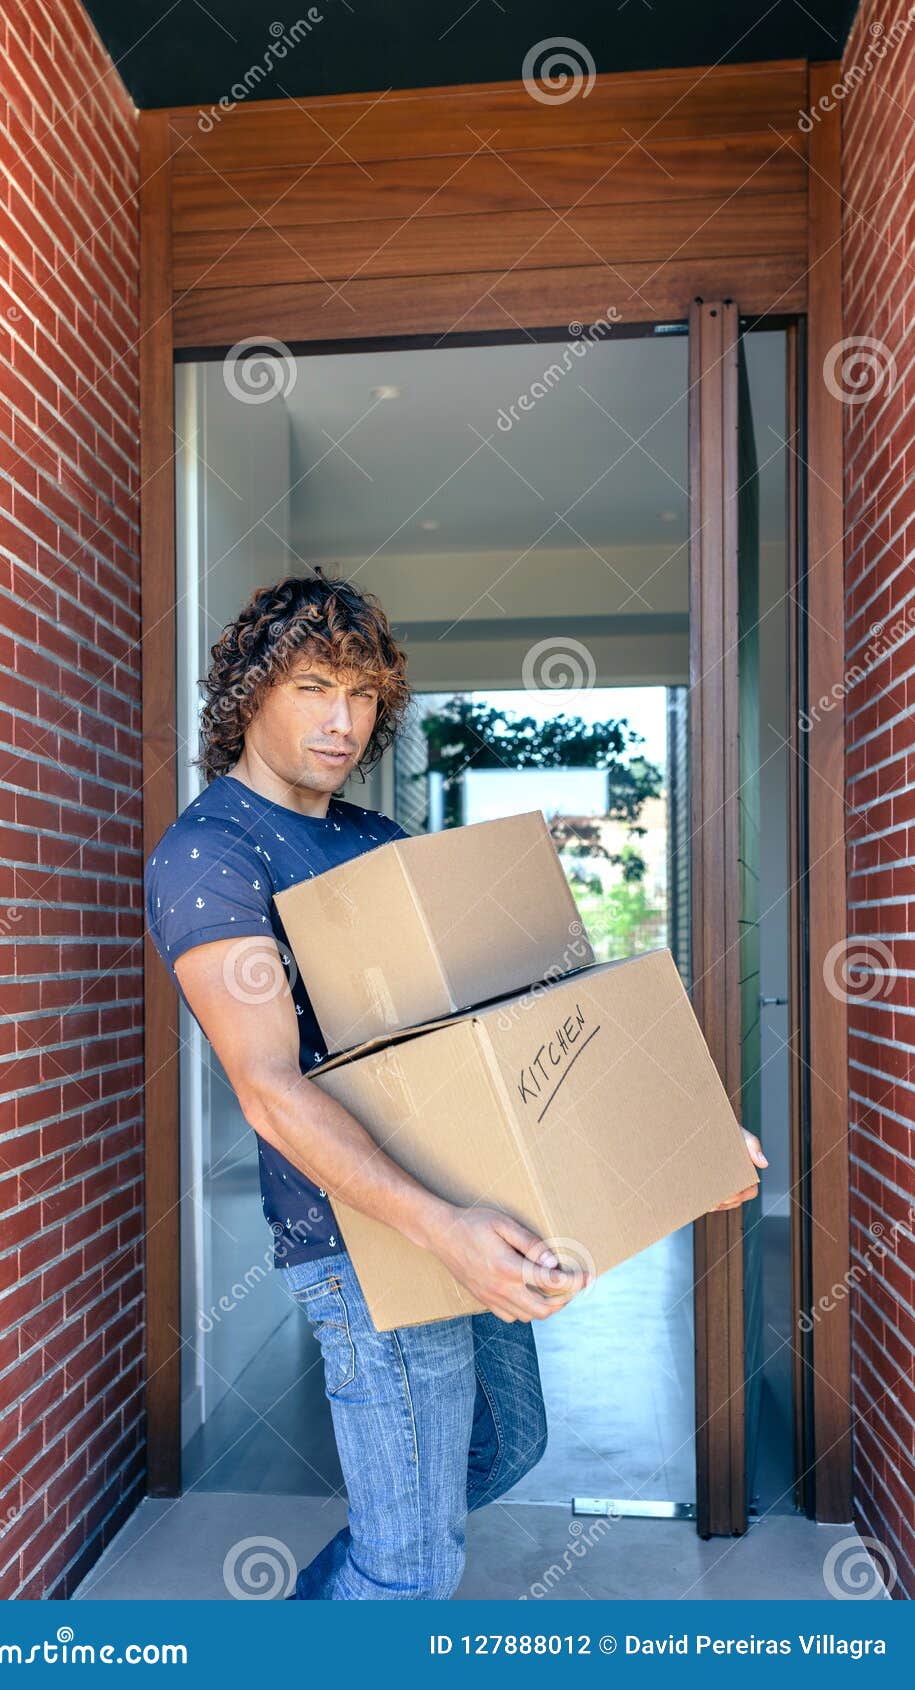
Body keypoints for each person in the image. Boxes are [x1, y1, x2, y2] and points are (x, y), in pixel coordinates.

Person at [144, 568, 765, 1600]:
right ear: (249, 691)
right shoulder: (212, 852)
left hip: (464, 1203)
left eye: (364, 694)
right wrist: (443, 1228)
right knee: (412, 1571)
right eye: (314, 687)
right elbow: (267, 1086)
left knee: (505, 1450)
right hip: (368, 1243)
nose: (345, 720)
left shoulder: (375, 840)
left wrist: (683, 1137)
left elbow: (506, 1019)